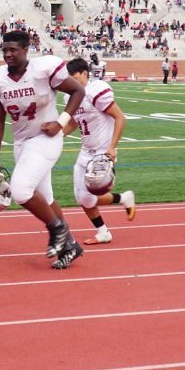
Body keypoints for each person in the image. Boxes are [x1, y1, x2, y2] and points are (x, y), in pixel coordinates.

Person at [0, 30, 87, 269]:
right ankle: (70, 245)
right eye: (5, 49)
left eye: (13, 50)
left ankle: (58, 229)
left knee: (20, 191)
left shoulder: (42, 70)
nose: (8, 54)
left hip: (45, 139)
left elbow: (78, 91)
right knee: (46, 198)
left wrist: (60, 123)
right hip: (22, 143)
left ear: (26, 50)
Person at [62, 59, 136, 245]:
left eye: (75, 75)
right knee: (83, 198)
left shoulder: (95, 90)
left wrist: (112, 147)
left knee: (89, 197)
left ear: (85, 73)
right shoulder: (70, 96)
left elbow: (120, 118)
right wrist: (56, 134)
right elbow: (73, 123)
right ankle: (119, 205)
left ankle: (104, 230)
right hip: (85, 151)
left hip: (102, 154)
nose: (72, 79)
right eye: (69, 77)